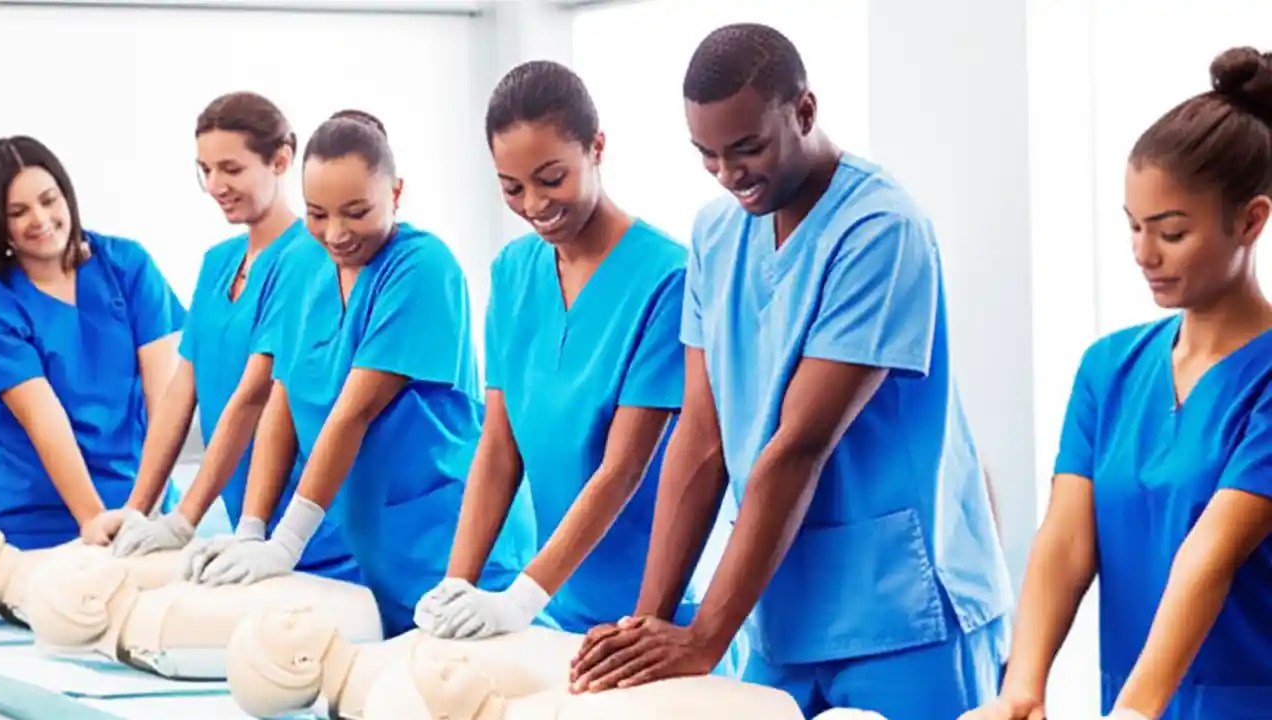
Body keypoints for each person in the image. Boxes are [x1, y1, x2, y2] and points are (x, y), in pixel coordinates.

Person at [569, 23, 1012, 720]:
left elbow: (796, 446)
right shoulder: (716, 237)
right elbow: (701, 440)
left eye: (748, 148)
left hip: (903, 615)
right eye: (708, 156)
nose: (729, 173)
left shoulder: (879, 230)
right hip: (780, 612)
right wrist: (647, 629)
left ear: (804, 111)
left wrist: (704, 636)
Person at [962, 47, 1272, 720]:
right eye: (1133, 226)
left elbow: (1212, 551)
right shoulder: (1109, 368)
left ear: (1250, 220)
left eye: (1172, 232)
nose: (1143, 253)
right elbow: (1067, 542)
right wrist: (1022, 687)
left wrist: (1134, 712)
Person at [184, 110, 535, 637]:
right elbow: (281, 397)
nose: (336, 233)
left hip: (455, 546)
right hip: (374, 553)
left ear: (396, 193)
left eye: (356, 211)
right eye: (317, 214)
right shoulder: (306, 270)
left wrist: (287, 543)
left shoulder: (420, 267)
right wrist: (253, 529)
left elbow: (355, 411)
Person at [413, 61, 693, 639]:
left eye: (551, 178)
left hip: (645, 612)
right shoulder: (514, 273)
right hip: (553, 604)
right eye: (512, 187)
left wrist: (518, 600)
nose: (534, 204)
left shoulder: (667, 278)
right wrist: (458, 584)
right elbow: (498, 448)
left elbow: (623, 468)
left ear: (596, 148)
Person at [82, 93, 357, 582]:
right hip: (242, 526)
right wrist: (138, 509)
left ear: (281, 159)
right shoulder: (217, 264)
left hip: (312, 535)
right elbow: (180, 392)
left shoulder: (308, 258)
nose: (215, 186)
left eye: (231, 168)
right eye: (204, 170)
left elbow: (254, 397)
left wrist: (186, 518)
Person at [0, 135, 185, 550]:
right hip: (34, 522)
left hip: (141, 500)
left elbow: (166, 398)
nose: (40, 219)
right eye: (18, 212)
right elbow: (43, 420)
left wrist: (146, 510)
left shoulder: (128, 265)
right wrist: (93, 520)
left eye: (49, 199)